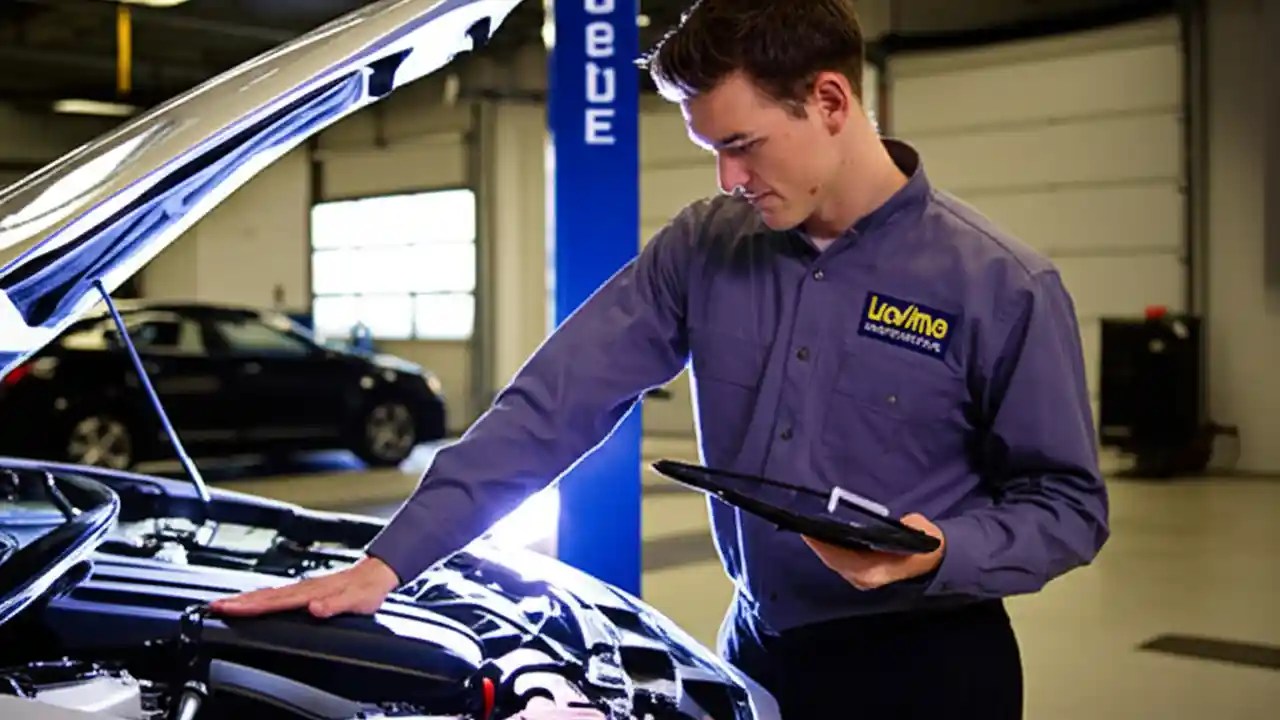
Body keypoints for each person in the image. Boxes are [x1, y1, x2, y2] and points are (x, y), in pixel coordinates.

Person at [211, 0, 1110, 716]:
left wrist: (941, 550)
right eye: (711, 151)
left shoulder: (1002, 286)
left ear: (831, 102)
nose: (727, 179)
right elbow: (553, 403)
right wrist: (388, 563)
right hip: (753, 653)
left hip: (926, 671)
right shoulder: (704, 246)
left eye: (741, 145)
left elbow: (1068, 507)